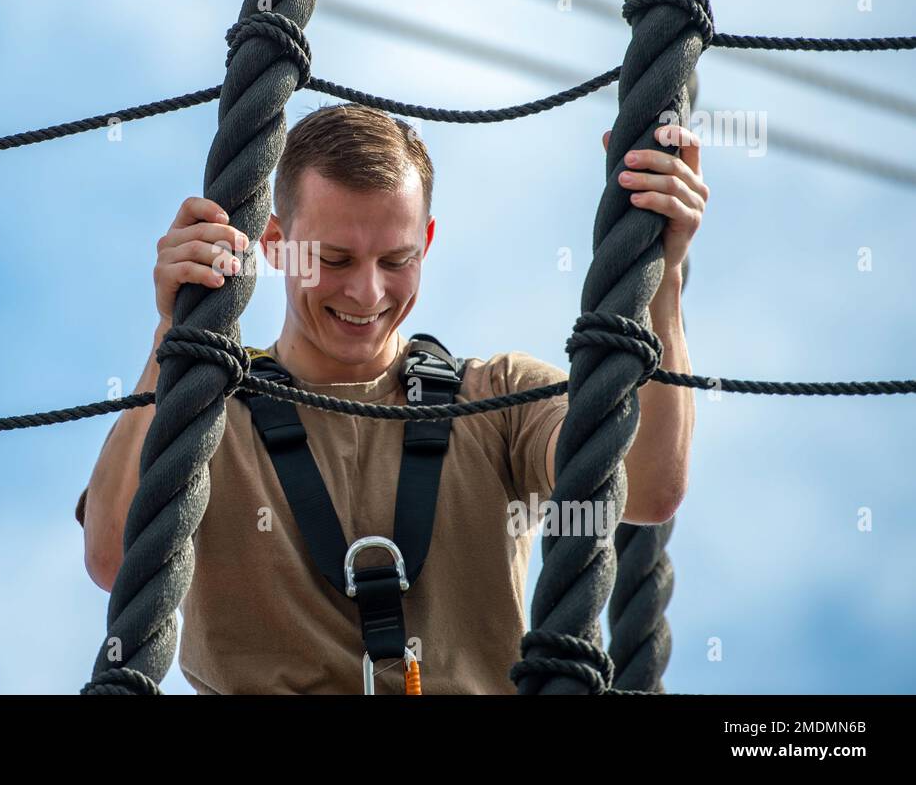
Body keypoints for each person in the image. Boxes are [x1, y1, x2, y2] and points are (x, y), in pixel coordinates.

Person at [75, 102, 705, 693]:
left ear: (427, 243)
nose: (367, 293)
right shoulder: (210, 416)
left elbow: (644, 488)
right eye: (335, 258)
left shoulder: (498, 400)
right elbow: (115, 557)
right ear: (273, 245)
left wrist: (663, 281)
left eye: (396, 260)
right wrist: (175, 337)